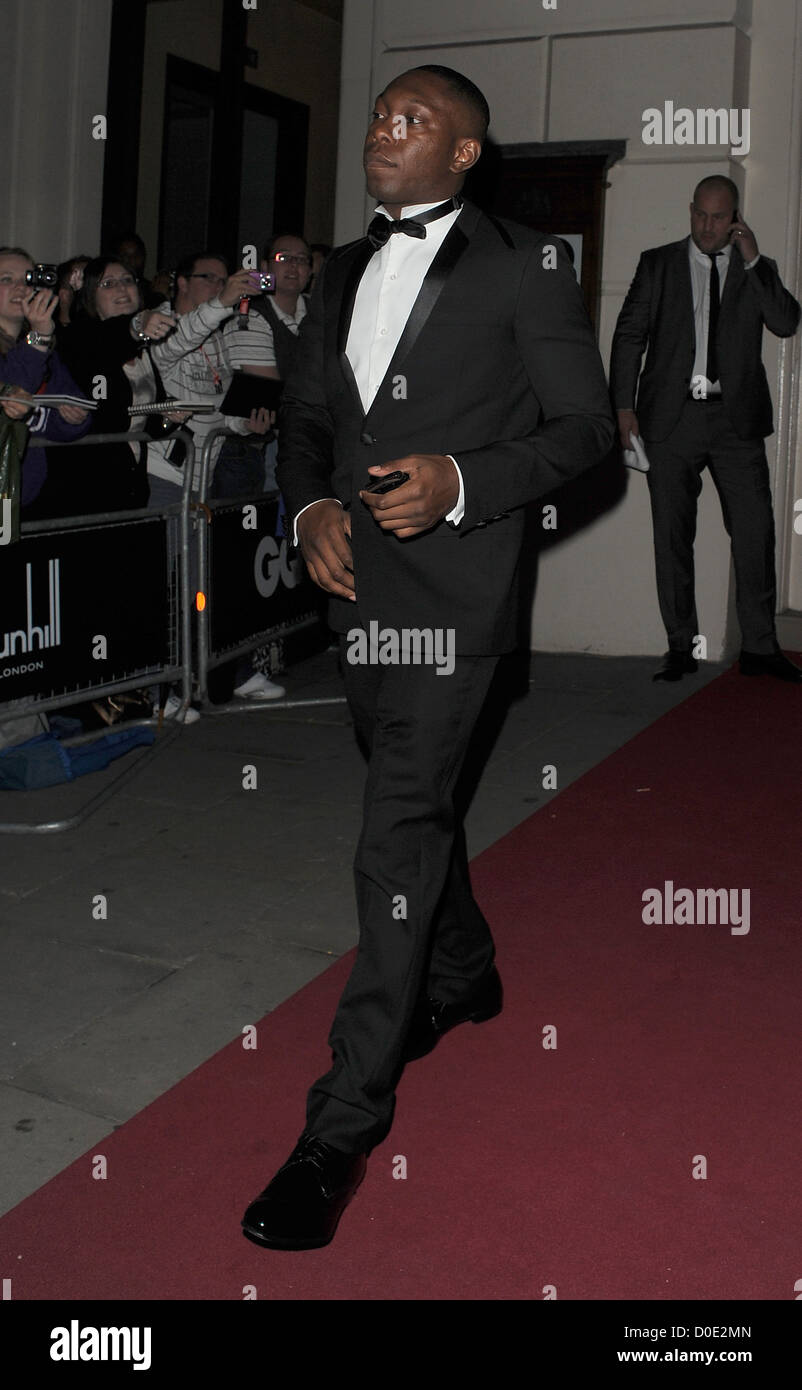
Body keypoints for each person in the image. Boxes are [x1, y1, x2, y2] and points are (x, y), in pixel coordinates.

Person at [240, 64, 614, 1251]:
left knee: (394, 823)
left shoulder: (524, 263)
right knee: (415, 802)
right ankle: (465, 969)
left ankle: (339, 1124)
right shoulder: (344, 270)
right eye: (379, 116)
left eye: (415, 121)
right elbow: (306, 424)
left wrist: (462, 483)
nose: (384, 133)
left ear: (464, 154)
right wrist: (306, 515)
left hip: (459, 600)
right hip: (358, 596)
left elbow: (585, 435)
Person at [610, 175, 802, 682]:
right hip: (671, 420)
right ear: (690, 209)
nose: (708, 227)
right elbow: (629, 336)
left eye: (720, 218)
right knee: (672, 535)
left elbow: (785, 323)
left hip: (736, 422)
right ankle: (680, 647)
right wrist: (623, 409)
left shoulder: (755, 268)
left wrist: (756, 259)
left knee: (756, 531)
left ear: (735, 218)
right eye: (701, 215)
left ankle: (760, 648)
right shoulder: (658, 263)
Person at [147, 249, 285, 705]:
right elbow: (169, 352)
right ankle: (156, 691)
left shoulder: (220, 335)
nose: (221, 286)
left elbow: (220, 408)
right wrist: (222, 303)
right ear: (180, 282)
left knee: (200, 586)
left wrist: (247, 425)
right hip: (163, 474)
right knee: (164, 588)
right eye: (208, 278)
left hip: (203, 478)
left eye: (226, 280)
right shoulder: (158, 323)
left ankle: (197, 681)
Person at [218, 232, 312, 497]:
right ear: (266, 267)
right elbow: (268, 391)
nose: (294, 266)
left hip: (301, 444)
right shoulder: (249, 313)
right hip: (248, 448)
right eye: (284, 258)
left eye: (302, 260)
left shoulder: (318, 313)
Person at [0, 246, 91, 508]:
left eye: (29, 279)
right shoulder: (38, 341)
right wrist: (38, 337)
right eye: (7, 279)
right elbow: (11, 397)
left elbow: (71, 406)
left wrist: (73, 418)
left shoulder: (42, 346)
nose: (21, 287)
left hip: (19, 494)